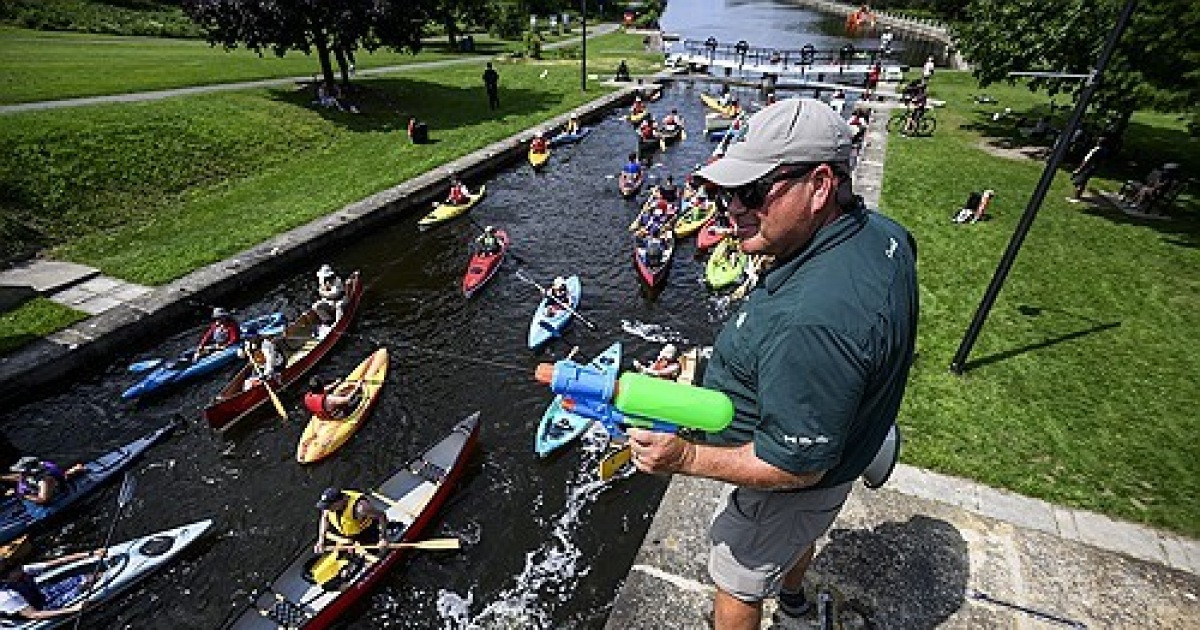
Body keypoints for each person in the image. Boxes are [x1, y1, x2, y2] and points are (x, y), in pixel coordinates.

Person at [626, 98, 917, 630]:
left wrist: (684, 457)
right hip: (845, 438)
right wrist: (700, 367)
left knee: (737, 570)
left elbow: (796, 465)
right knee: (798, 536)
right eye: (725, 193)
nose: (732, 210)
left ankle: (780, 598)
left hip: (802, 474)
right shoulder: (885, 235)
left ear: (821, 185)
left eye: (752, 192)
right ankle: (794, 595)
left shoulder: (813, 320)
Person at [0, 550, 104, 621]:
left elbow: (58, 562)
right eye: (13, 568)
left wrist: (91, 553)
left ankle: (101, 576)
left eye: (15, 564)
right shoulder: (6, 595)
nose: (19, 566)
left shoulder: (22, 570)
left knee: (86, 578)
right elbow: (33, 614)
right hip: (38, 610)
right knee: (81, 588)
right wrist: (74, 609)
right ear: (6, 576)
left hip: (42, 596)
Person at [314, 488, 389, 554]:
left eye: (329, 507)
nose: (327, 509)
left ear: (339, 501)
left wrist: (383, 538)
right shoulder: (330, 507)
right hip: (347, 533)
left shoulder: (361, 508)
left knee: (378, 552)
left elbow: (381, 516)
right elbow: (324, 517)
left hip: (367, 532)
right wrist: (321, 540)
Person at [2, 457, 87, 508]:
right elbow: (19, 477)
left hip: (53, 490)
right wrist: (2, 477)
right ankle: (75, 470)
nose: (20, 473)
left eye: (21, 471)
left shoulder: (44, 481)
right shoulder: (35, 470)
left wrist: (22, 495)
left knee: (58, 480)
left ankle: (74, 472)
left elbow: (43, 500)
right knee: (62, 476)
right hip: (52, 480)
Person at [1070, 134, 1113, 201]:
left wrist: (1079, 169)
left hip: (1089, 167)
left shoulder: (1096, 150)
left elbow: (1088, 160)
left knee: (1081, 181)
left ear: (1099, 142)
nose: (1097, 141)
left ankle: (1076, 197)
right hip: (1093, 168)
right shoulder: (1104, 150)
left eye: (1098, 140)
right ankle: (1077, 195)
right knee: (1082, 181)